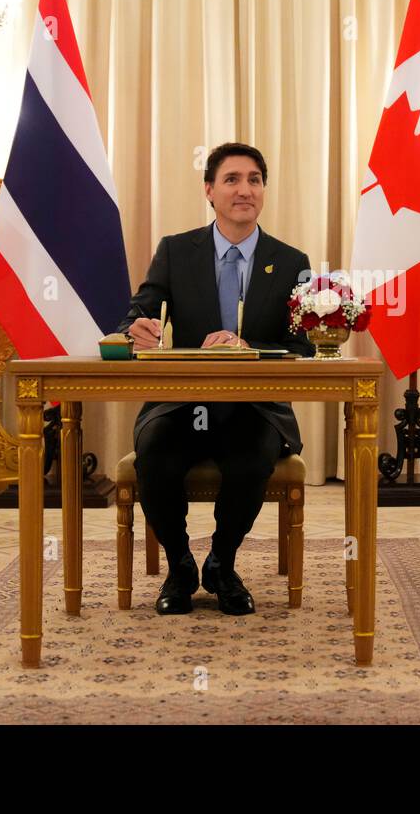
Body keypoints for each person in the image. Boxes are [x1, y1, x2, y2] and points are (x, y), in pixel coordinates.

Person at [115, 142, 314, 616]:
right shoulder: (176, 251)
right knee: (155, 452)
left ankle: (222, 563)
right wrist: (136, 329)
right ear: (209, 190)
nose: (244, 190)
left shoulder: (291, 261)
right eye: (231, 179)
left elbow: (303, 346)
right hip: (183, 402)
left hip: (255, 408)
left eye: (254, 180)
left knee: (251, 458)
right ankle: (180, 565)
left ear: (263, 190)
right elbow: (135, 316)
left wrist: (249, 347)